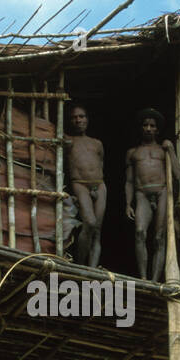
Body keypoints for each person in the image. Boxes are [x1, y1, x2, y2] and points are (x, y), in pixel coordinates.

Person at [125, 108, 180, 282]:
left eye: (152, 126)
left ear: (157, 130)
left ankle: (155, 280)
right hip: (141, 193)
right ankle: (143, 277)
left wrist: (171, 150)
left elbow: (178, 174)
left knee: (159, 237)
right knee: (140, 232)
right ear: (141, 128)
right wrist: (128, 203)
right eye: (145, 125)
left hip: (162, 192)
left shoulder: (163, 150)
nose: (148, 128)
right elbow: (129, 181)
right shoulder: (133, 153)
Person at [63, 103, 106, 267]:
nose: (78, 120)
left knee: (97, 231)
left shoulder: (97, 143)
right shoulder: (67, 140)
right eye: (74, 117)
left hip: (100, 185)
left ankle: (92, 269)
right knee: (89, 222)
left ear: (87, 120)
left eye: (81, 116)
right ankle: (80, 265)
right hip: (79, 183)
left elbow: (100, 165)